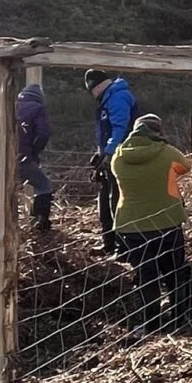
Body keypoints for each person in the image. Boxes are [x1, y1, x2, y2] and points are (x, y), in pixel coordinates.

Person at [110, 113, 192, 331]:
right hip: (167, 222)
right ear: (158, 132)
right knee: (173, 271)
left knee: (146, 275)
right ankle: (179, 318)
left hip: (131, 226)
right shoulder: (167, 153)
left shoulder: (118, 156)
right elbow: (185, 166)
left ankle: (151, 322)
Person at [0, 81, 55, 233]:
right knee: (43, 186)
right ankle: (39, 224)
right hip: (18, 157)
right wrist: (33, 153)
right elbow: (43, 133)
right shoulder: (37, 108)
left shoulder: (7, 107)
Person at [85, 68, 138, 252]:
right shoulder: (108, 99)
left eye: (90, 89)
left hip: (121, 158)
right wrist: (100, 153)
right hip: (111, 156)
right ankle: (109, 243)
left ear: (97, 86)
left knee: (117, 200)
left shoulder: (118, 98)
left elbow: (120, 128)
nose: (91, 94)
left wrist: (107, 153)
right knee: (105, 200)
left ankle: (122, 246)